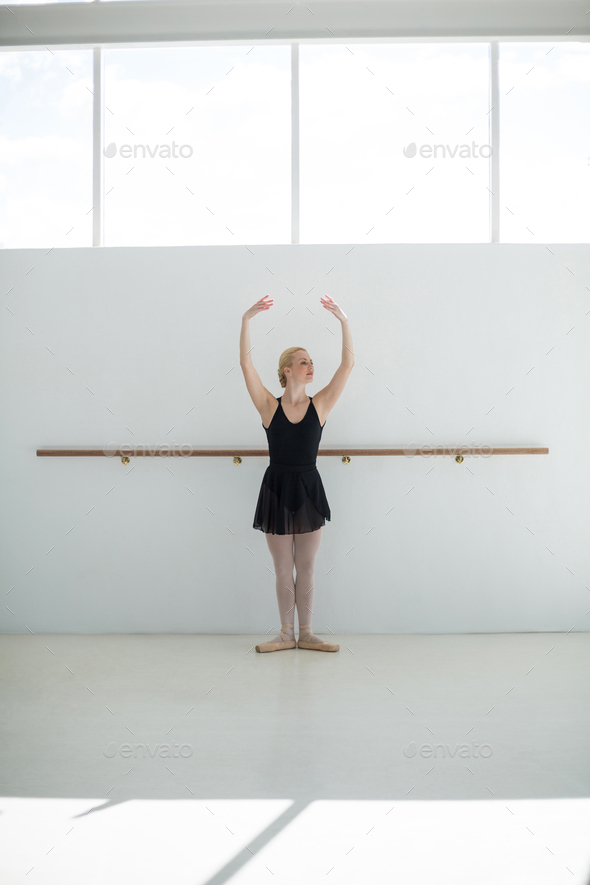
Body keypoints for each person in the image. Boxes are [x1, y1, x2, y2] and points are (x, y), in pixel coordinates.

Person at [239, 294, 354, 654]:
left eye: (311, 362)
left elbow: (347, 365)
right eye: (303, 361)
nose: (310, 366)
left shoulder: (320, 405)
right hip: (276, 489)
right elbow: (246, 365)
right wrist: (246, 321)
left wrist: (344, 322)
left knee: (307, 567)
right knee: (282, 568)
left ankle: (307, 633)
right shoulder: (267, 406)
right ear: (287, 370)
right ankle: (285, 634)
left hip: (308, 488)